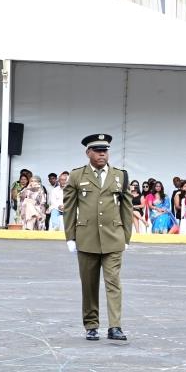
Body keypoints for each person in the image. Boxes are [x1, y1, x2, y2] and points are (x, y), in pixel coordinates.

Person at [63, 133, 133, 341]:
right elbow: (69, 208)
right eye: (98, 151)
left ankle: (115, 326)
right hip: (86, 238)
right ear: (88, 153)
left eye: (105, 151)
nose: (103, 154)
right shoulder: (77, 176)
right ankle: (91, 325)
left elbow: (127, 208)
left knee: (113, 282)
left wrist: (126, 237)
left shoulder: (120, 175)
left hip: (113, 238)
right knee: (89, 283)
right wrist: (70, 237)